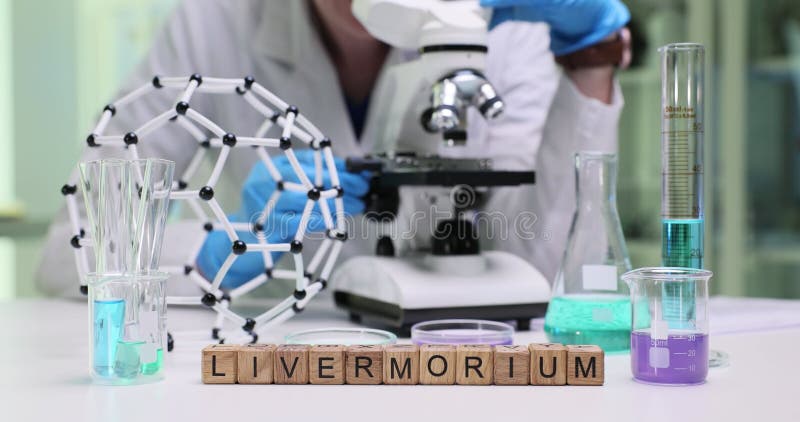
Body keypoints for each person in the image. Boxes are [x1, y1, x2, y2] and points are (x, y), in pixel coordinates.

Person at [36, 0, 631, 297]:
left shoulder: (508, 25)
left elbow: (549, 270)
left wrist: (589, 59)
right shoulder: (214, 19)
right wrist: (221, 247)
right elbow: (72, 248)